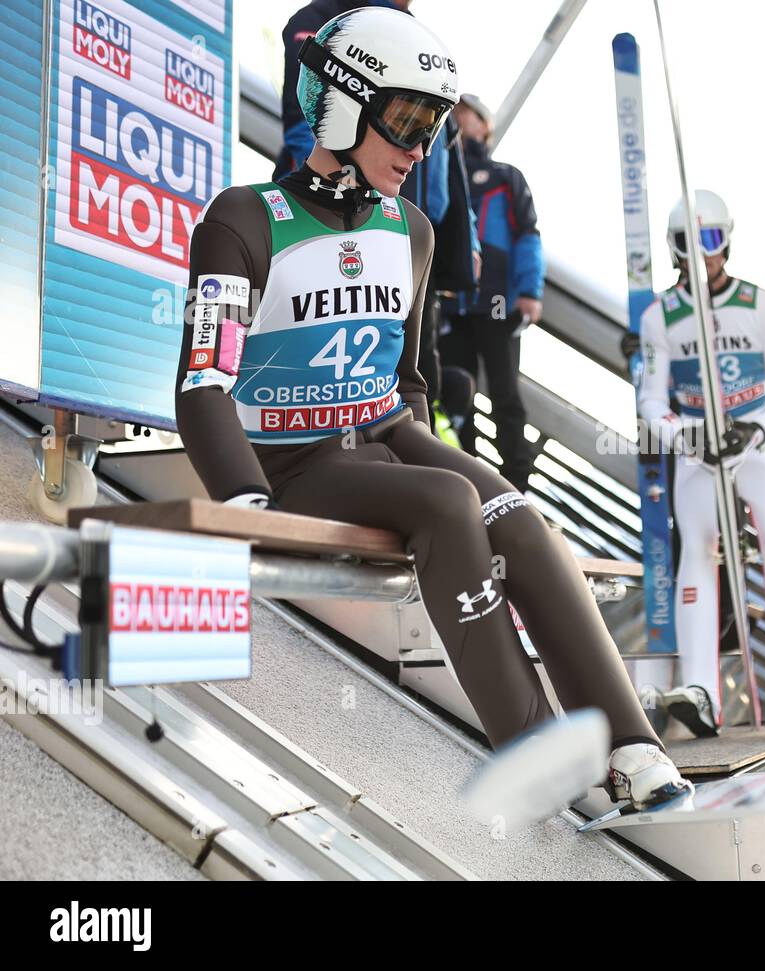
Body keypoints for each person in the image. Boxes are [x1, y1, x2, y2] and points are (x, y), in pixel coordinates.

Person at [174, 7, 689, 809]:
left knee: (518, 513)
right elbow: (206, 380)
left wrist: (415, 438)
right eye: (408, 121)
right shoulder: (245, 220)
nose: (420, 150)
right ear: (343, 104)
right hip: (290, 462)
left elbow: (406, 374)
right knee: (452, 502)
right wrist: (244, 501)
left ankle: (632, 746)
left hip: (380, 437)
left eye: (433, 126)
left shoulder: (409, 228)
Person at [637, 190, 765, 737]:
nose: (702, 255)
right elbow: (651, 400)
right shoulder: (659, 316)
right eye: (689, 245)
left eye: (711, 241)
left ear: (728, 241)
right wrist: (686, 435)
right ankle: (700, 688)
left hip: (759, 446)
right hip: (700, 452)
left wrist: (755, 427)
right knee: (699, 547)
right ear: (673, 251)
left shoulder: (763, 304)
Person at [275, 0, 479, 446]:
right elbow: (309, 118)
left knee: (419, 366)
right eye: (408, 117)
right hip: (336, 219)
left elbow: (447, 158)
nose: (419, 149)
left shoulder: (418, 40)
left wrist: (466, 244)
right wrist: (312, 205)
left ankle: (415, 451)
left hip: (408, 231)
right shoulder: (323, 21)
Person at [439, 94, 545, 491]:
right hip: (451, 305)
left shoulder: (506, 176)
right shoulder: (439, 170)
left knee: (505, 396)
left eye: (469, 113)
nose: (460, 117)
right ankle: (466, 482)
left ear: (486, 126)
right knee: (454, 394)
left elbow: (528, 236)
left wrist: (529, 292)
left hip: (498, 304)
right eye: (454, 112)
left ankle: (517, 487)